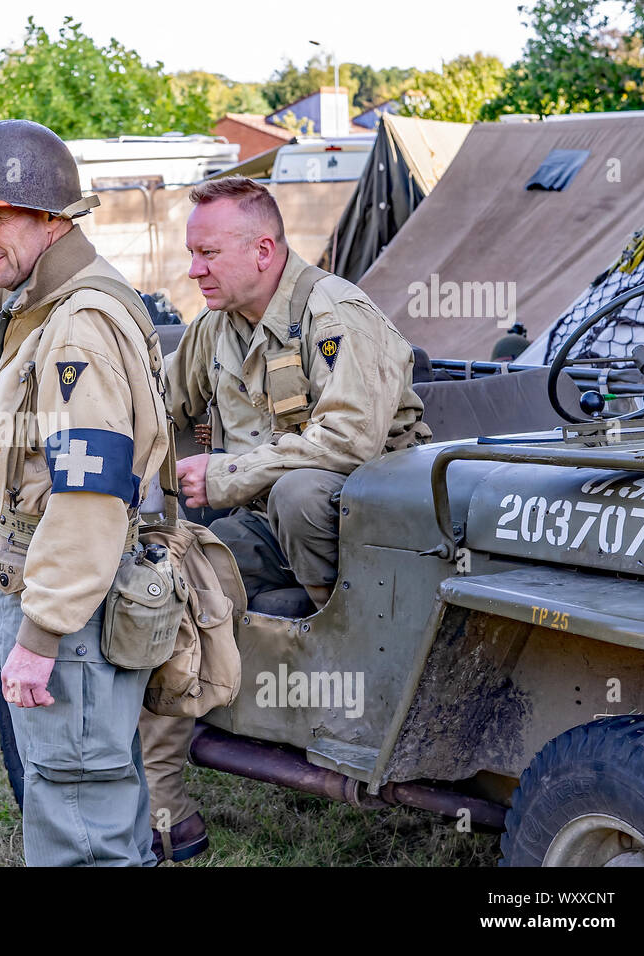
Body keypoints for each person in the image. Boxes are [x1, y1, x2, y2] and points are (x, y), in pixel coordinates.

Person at [140, 175, 429, 861]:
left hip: (383, 531)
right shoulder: (217, 327)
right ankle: (165, 804)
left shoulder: (333, 312)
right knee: (171, 576)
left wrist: (225, 474)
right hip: (274, 522)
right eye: (192, 252)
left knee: (301, 492)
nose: (193, 269)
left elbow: (349, 442)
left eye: (208, 253)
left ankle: (342, 646)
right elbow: (161, 406)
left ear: (263, 250)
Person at [0, 119, 168, 866]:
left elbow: (87, 494)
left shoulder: (75, 327)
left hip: (68, 614)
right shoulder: (56, 308)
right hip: (68, 602)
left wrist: (39, 637)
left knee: (76, 817)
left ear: (49, 218)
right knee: (94, 802)